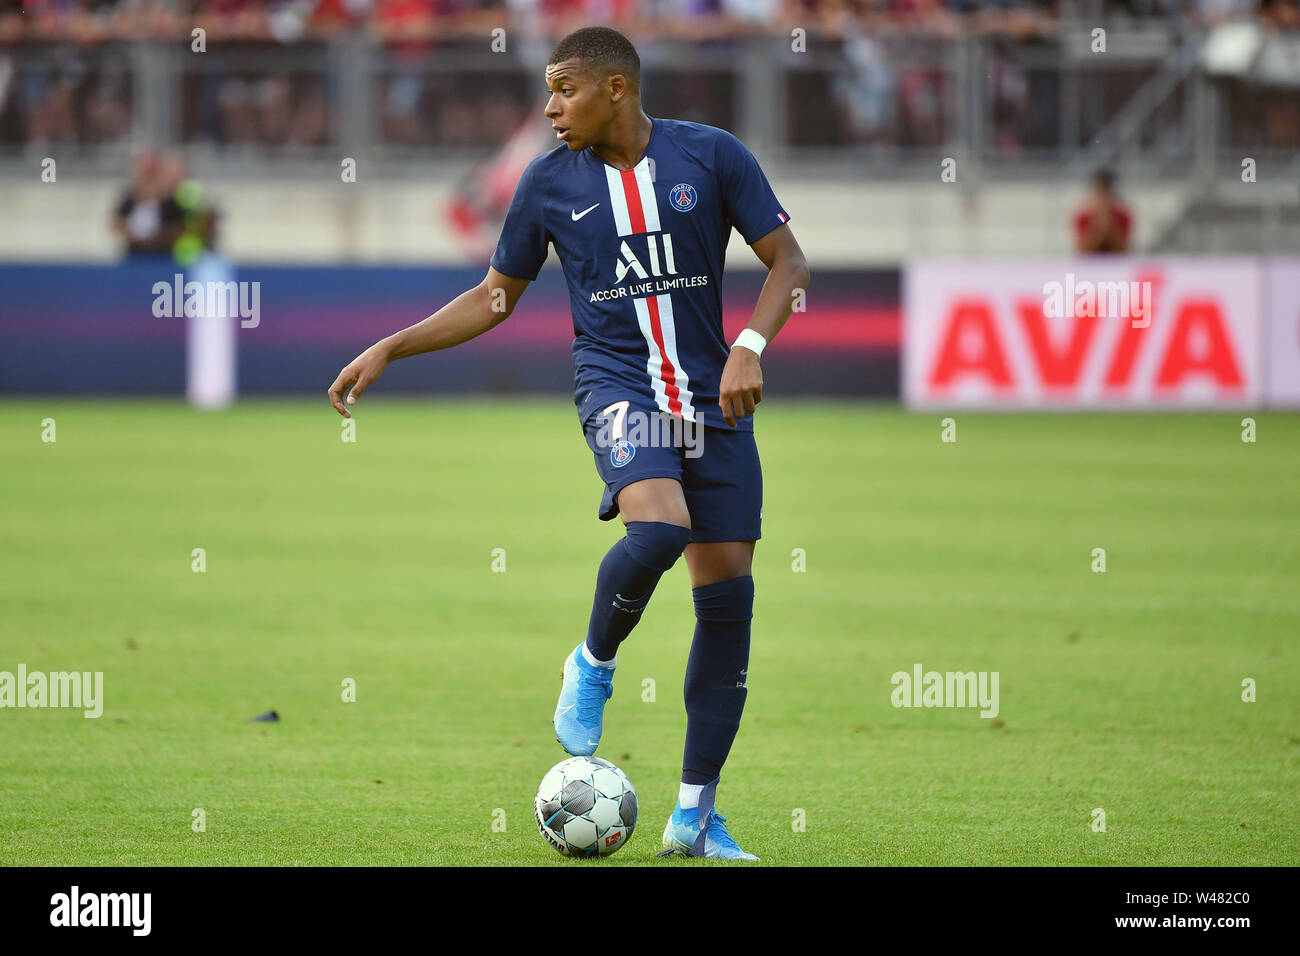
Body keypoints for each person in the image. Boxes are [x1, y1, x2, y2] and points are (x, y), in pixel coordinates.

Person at [326, 26, 809, 861]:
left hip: (712, 397)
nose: (550, 108)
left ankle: (695, 817)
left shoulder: (711, 156)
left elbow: (789, 264)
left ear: (615, 89)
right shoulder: (548, 182)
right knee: (659, 530)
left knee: (728, 601)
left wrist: (750, 346)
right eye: (550, 90)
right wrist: (392, 346)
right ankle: (592, 662)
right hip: (618, 386)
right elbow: (494, 297)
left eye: (565, 89)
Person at [1073, 168, 1133, 253]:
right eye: (1100, 191)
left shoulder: (1122, 216)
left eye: (1106, 191)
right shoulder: (1083, 217)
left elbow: (1123, 251)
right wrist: (1098, 227)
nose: (1103, 197)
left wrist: (1110, 226)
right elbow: (1083, 252)